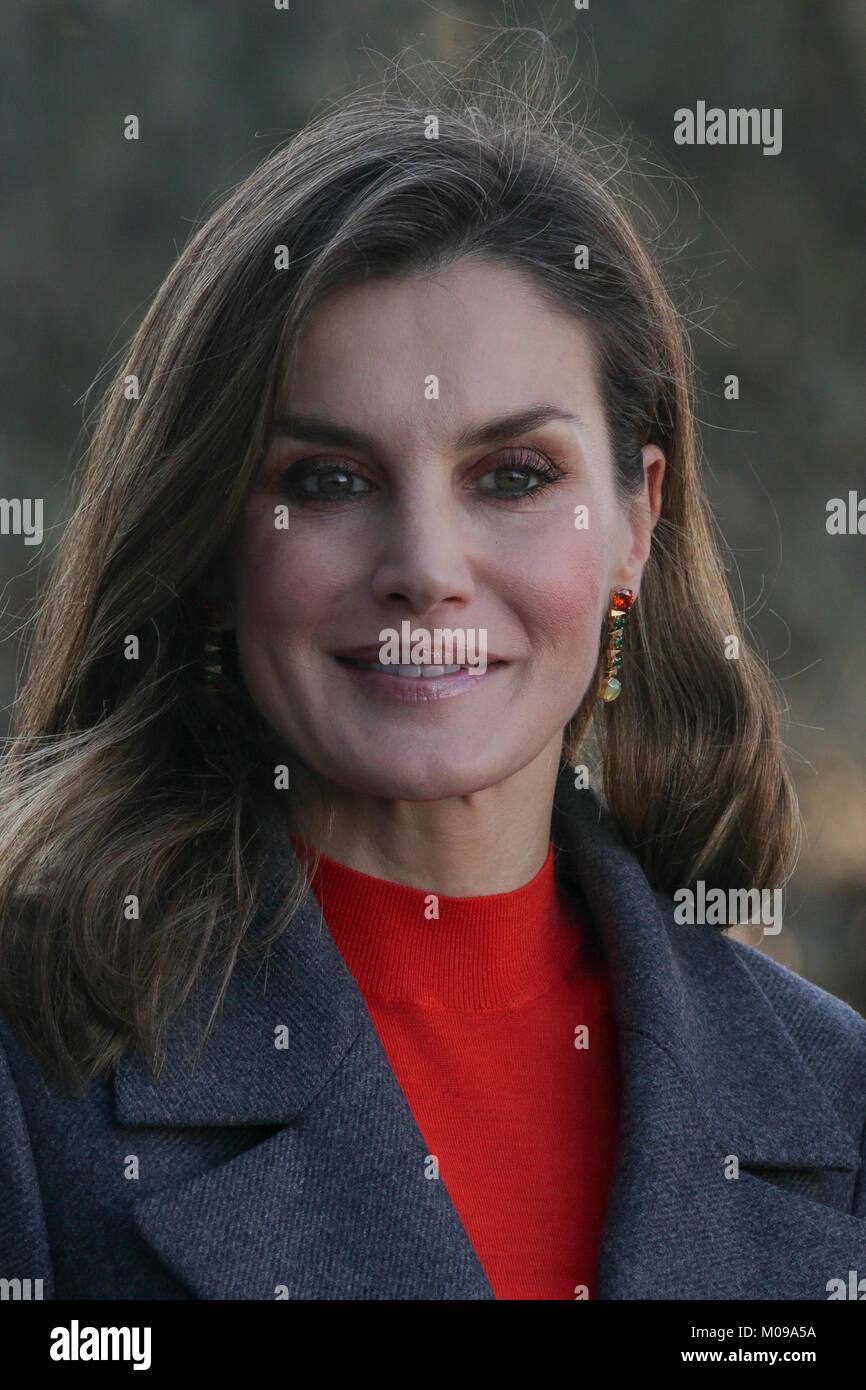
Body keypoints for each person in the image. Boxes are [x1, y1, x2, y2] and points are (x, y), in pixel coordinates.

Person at [1, 37, 864, 1301]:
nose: (425, 566)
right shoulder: (33, 1079)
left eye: (511, 476)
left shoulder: (834, 1106)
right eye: (327, 480)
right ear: (212, 544)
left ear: (637, 519)